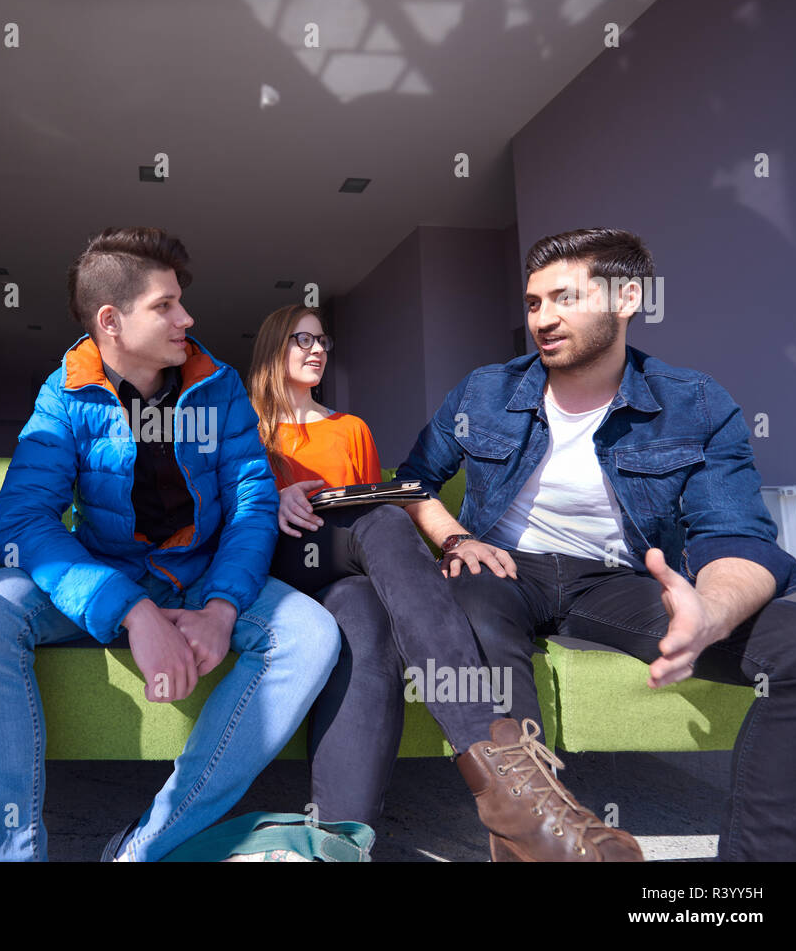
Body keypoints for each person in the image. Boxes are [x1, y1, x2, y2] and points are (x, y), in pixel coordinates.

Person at [397, 227, 796, 861]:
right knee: (471, 603)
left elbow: (734, 533)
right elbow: (412, 481)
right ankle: (545, 837)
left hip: (620, 579)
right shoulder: (484, 391)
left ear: (626, 299)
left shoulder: (696, 404)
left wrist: (710, 611)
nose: (542, 318)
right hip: (505, 570)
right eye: (534, 303)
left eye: (564, 298)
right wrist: (455, 538)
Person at [0, 227, 341, 861]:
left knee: (311, 633)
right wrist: (131, 612)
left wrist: (221, 608)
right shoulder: (65, 395)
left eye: (181, 299)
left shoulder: (218, 387)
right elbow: (25, 523)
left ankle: (146, 846)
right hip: (104, 576)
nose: (186, 317)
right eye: (165, 305)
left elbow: (252, 505)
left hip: (201, 578)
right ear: (111, 320)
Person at [250, 303, 641, 861]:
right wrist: (272, 497)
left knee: (367, 614)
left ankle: (338, 841)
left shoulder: (350, 428)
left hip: (344, 573)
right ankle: (499, 761)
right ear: (271, 348)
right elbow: (224, 509)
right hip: (283, 559)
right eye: (300, 339)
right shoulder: (244, 425)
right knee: (383, 523)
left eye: (322, 341)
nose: (316, 350)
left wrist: (453, 543)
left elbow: (374, 503)